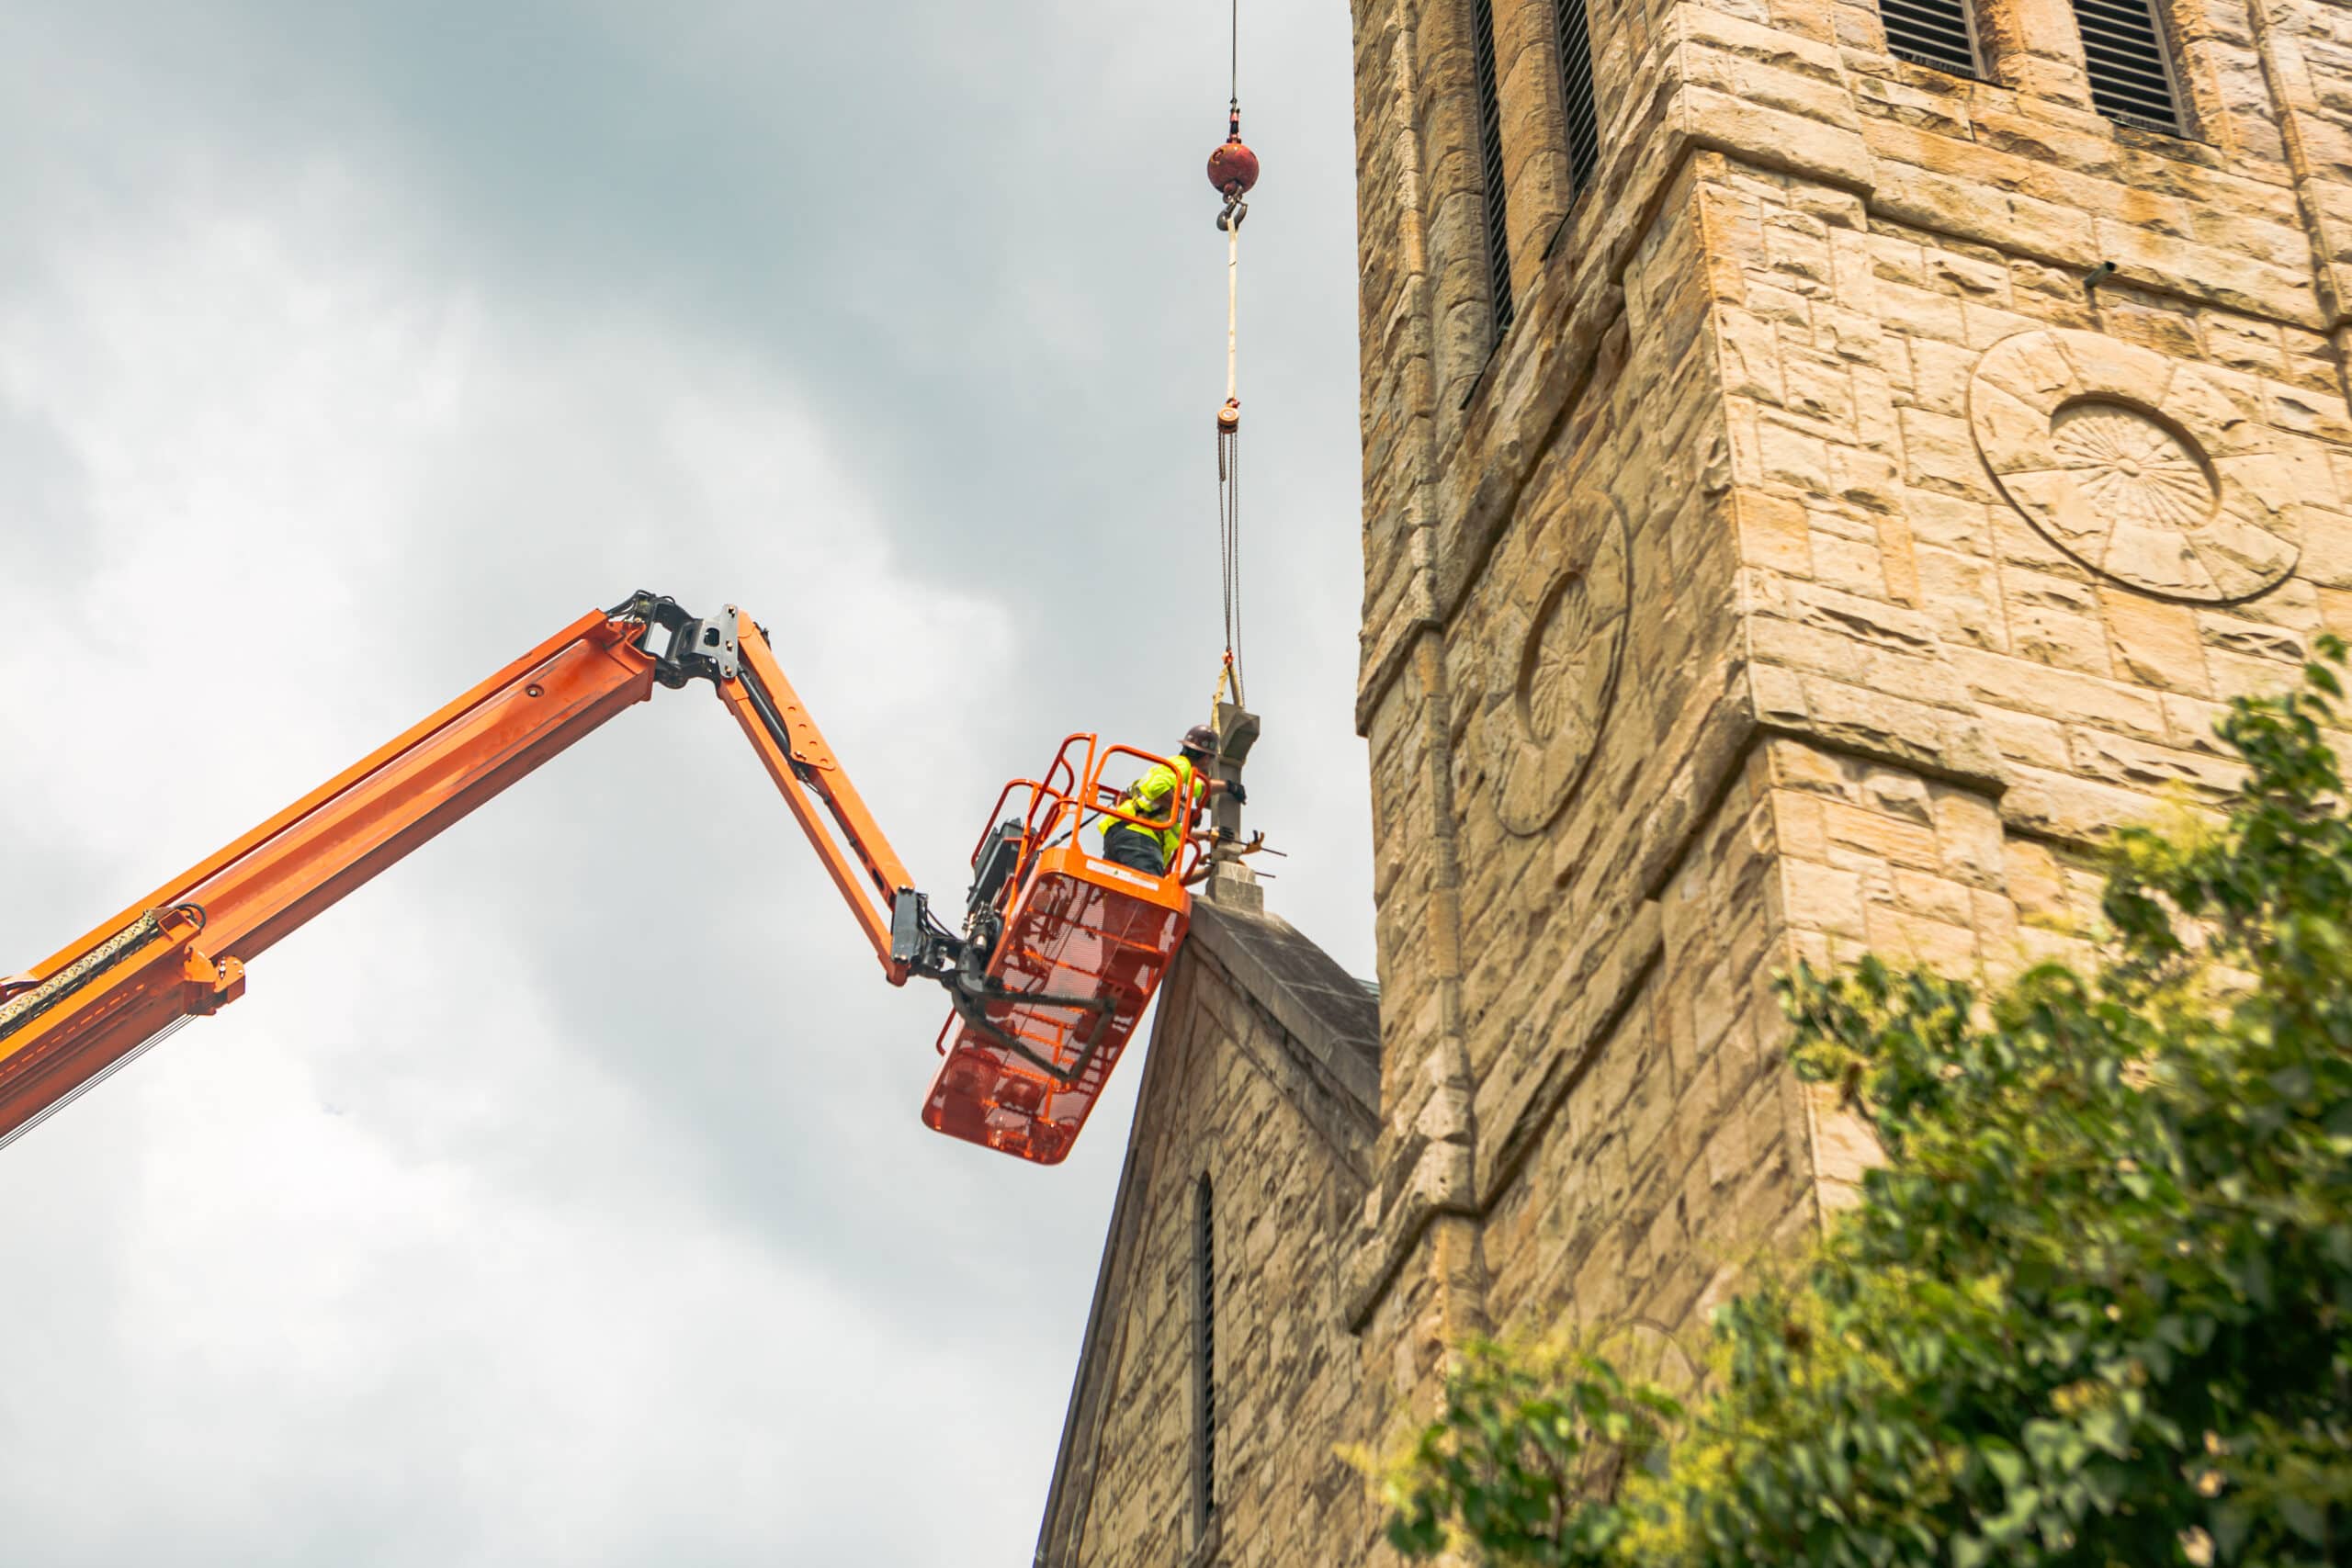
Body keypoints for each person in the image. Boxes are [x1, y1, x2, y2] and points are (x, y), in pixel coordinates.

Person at [1099, 724, 1246, 876]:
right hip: (1138, 836)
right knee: (1149, 889)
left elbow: (1201, 787)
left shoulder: (1179, 781)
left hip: (1123, 833)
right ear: (1207, 757)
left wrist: (1229, 787)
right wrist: (1186, 810)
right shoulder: (1181, 765)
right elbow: (1156, 788)